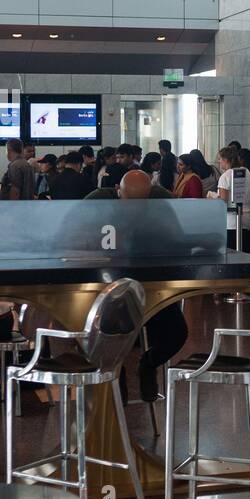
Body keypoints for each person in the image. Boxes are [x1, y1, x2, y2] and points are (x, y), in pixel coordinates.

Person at [82, 169, 184, 400]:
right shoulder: (97, 202)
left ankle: (148, 363)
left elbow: (178, 240)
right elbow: (74, 235)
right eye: (130, 203)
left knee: (176, 334)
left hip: (151, 289)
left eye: (142, 203)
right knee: (107, 335)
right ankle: (115, 375)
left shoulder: (161, 204)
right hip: (106, 291)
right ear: (119, 192)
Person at [214, 146, 250, 249]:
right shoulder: (246, 172)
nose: (219, 162)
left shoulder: (225, 176)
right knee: (244, 251)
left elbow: (223, 202)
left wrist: (213, 198)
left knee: (232, 253)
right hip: (247, 217)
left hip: (231, 221)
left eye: (220, 159)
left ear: (226, 160)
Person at [84, 167, 174, 201]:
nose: (134, 210)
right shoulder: (100, 198)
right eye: (129, 202)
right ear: (118, 190)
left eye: (140, 204)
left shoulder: (160, 197)